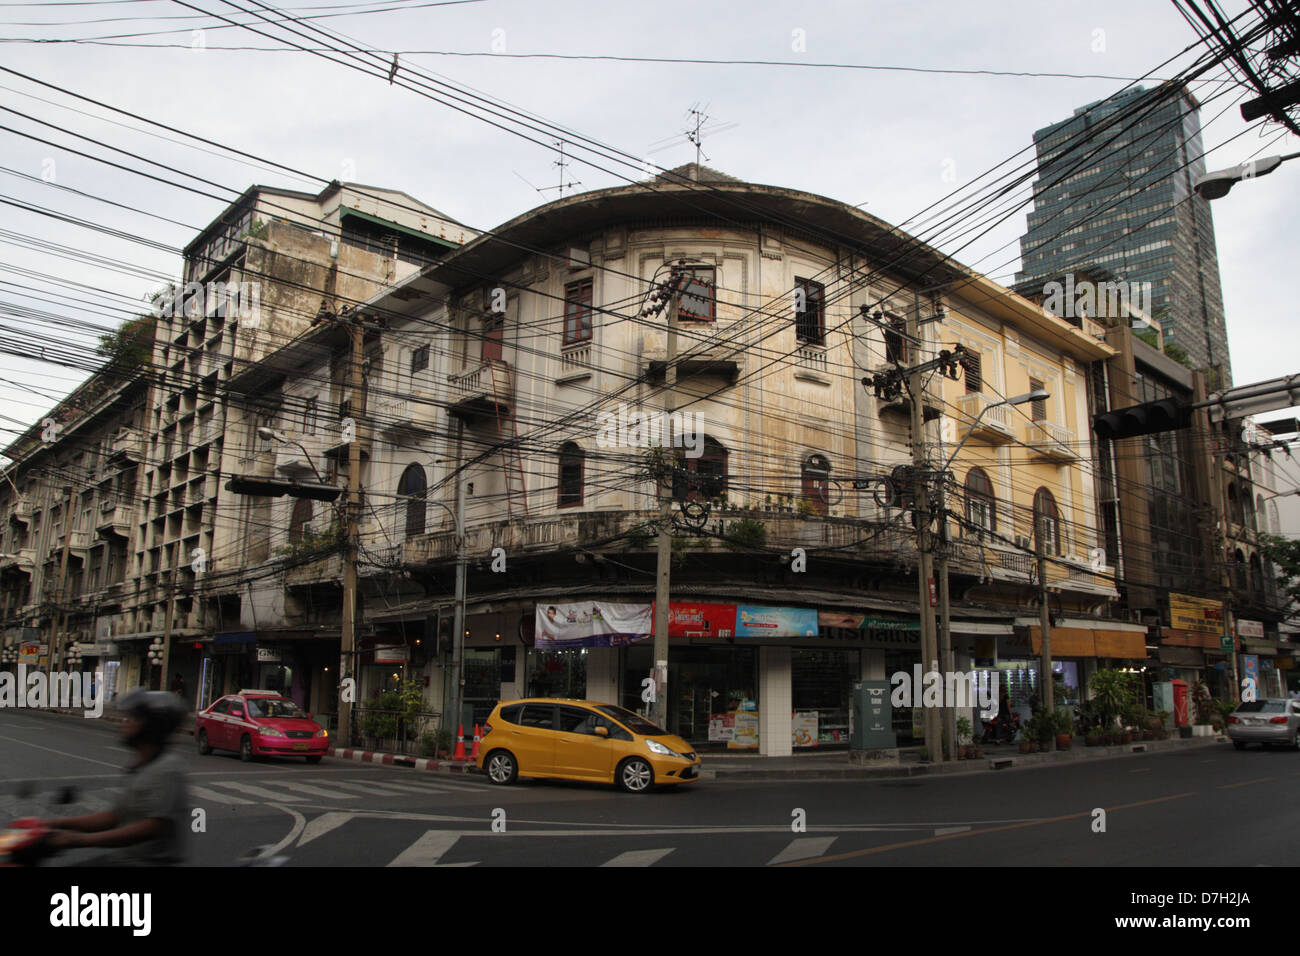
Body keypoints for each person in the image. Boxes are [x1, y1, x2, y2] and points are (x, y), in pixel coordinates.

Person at [39, 688, 190, 866]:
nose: (123, 722)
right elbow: (115, 817)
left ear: (150, 726)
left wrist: (78, 840)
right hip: (124, 859)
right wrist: (55, 824)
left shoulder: (167, 770)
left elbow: (151, 827)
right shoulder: (141, 766)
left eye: (132, 718)